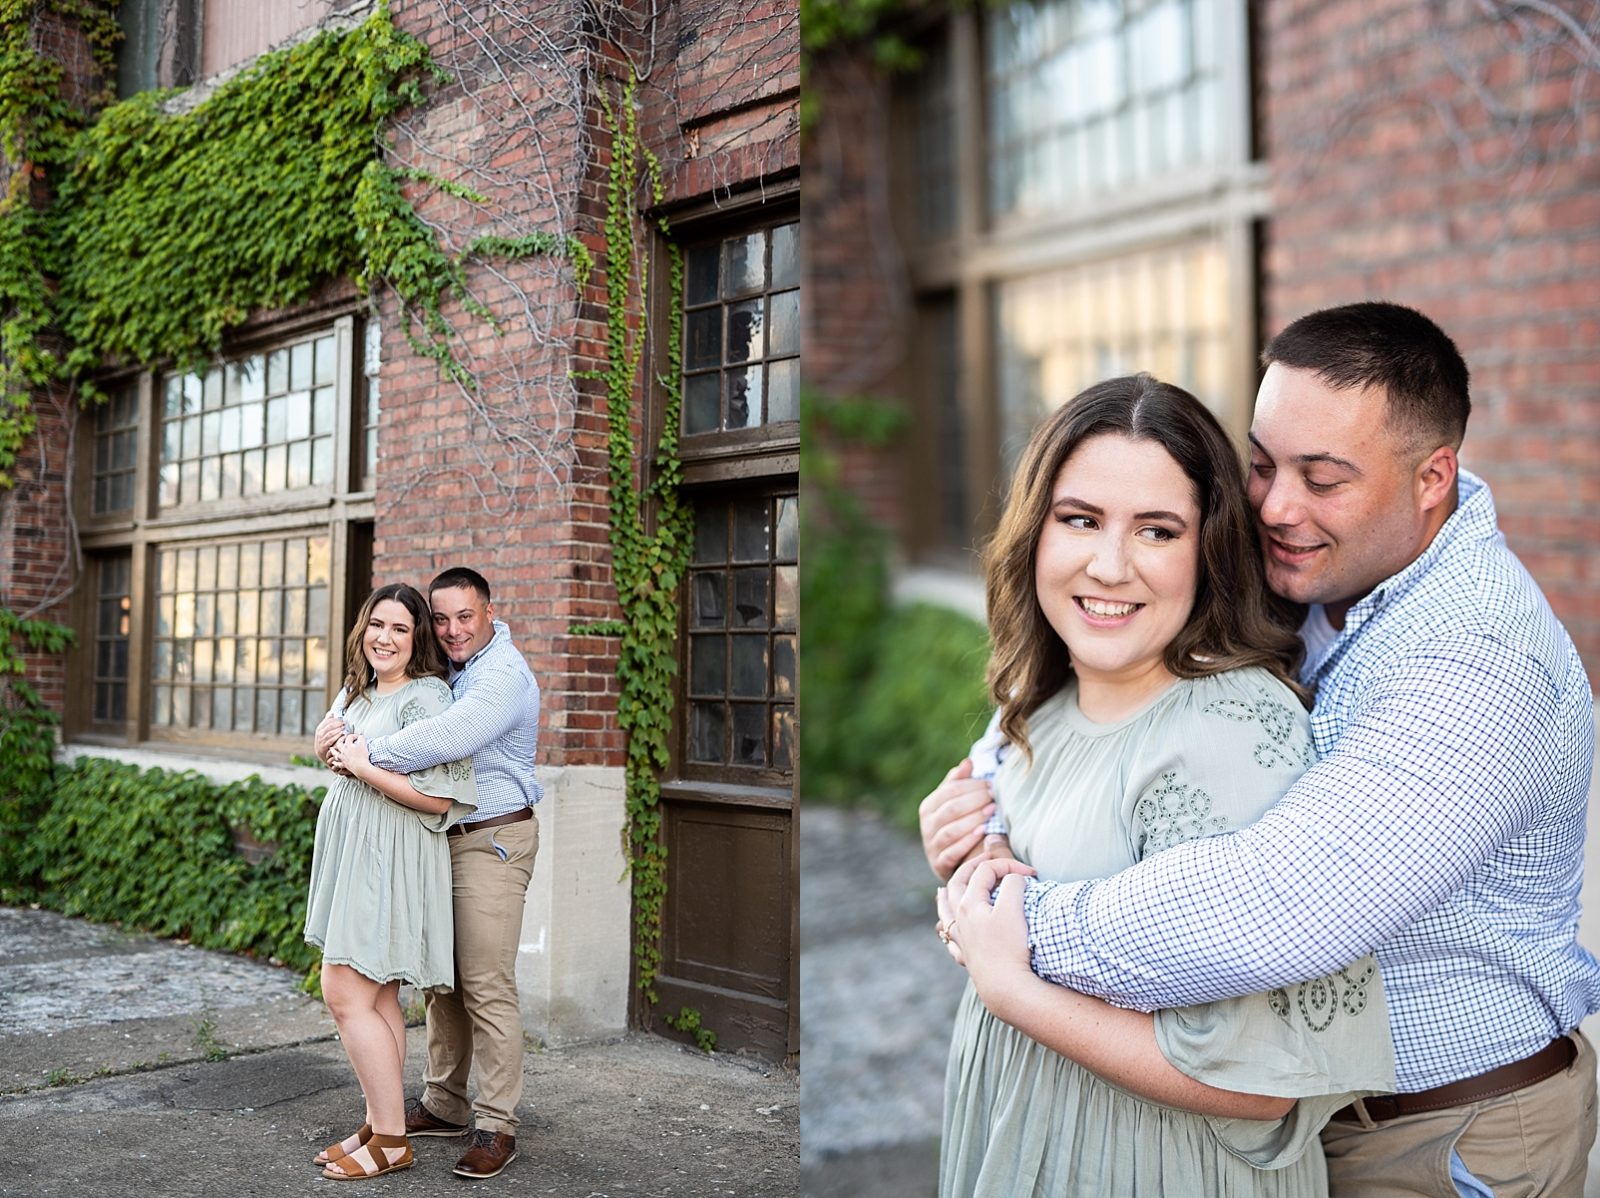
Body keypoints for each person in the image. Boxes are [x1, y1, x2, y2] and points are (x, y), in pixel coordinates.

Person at [926, 302, 1600, 1197]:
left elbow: (1283, 902)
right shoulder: (1319, 581)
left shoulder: (1476, 659)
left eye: (1322, 479)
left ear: (1432, 476)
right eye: (1262, 464)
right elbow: (1090, 688)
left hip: (1443, 1136)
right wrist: (980, 803)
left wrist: (1009, 925)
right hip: (1332, 1125)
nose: (1277, 508)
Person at [936, 373, 1394, 1197]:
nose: (1109, 566)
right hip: (1024, 1134)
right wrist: (973, 844)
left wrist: (1013, 990)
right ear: (1034, 534)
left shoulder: (1227, 730)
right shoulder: (1038, 702)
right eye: (1080, 520)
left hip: (1156, 1167)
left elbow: (1263, 1084)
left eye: (1157, 530)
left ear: (1209, 549)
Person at [316, 566, 540, 1181]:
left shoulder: (500, 676)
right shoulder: (444, 667)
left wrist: (356, 755)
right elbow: (357, 702)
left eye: (463, 616)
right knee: (441, 981)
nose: (451, 629)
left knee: (485, 982)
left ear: (490, 612)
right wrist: (332, 740)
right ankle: (442, 1103)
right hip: (433, 842)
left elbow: (443, 739)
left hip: (490, 837)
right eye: (440, 618)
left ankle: (496, 1125)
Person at [304, 582, 478, 1181]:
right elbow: (331, 749)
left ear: (418, 639)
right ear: (363, 629)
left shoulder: (425, 698)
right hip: (355, 851)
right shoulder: (357, 690)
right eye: (377, 624)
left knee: (342, 991)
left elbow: (442, 799)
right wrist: (325, 744)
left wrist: (362, 766)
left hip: (390, 856)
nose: (385, 637)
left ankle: (393, 1140)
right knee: (377, 998)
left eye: (400, 629)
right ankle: (382, 1127)